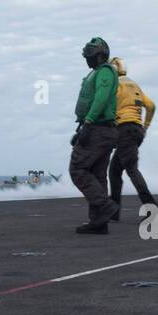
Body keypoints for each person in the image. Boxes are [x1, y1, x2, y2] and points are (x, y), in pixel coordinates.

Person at [69, 37, 120, 234]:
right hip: (100, 128)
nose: (87, 60)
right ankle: (99, 223)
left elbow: (101, 97)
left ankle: (105, 206)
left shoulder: (106, 72)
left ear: (100, 55)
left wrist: (88, 122)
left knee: (78, 169)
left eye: (90, 56)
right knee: (98, 175)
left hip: (98, 128)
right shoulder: (97, 72)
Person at [106, 56, 157, 222]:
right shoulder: (134, 84)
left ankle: (151, 206)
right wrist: (145, 127)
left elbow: (108, 107)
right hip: (136, 131)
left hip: (124, 130)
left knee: (131, 169)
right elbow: (151, 106)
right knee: (114, 170)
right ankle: (114, 212)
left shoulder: (115, 85)